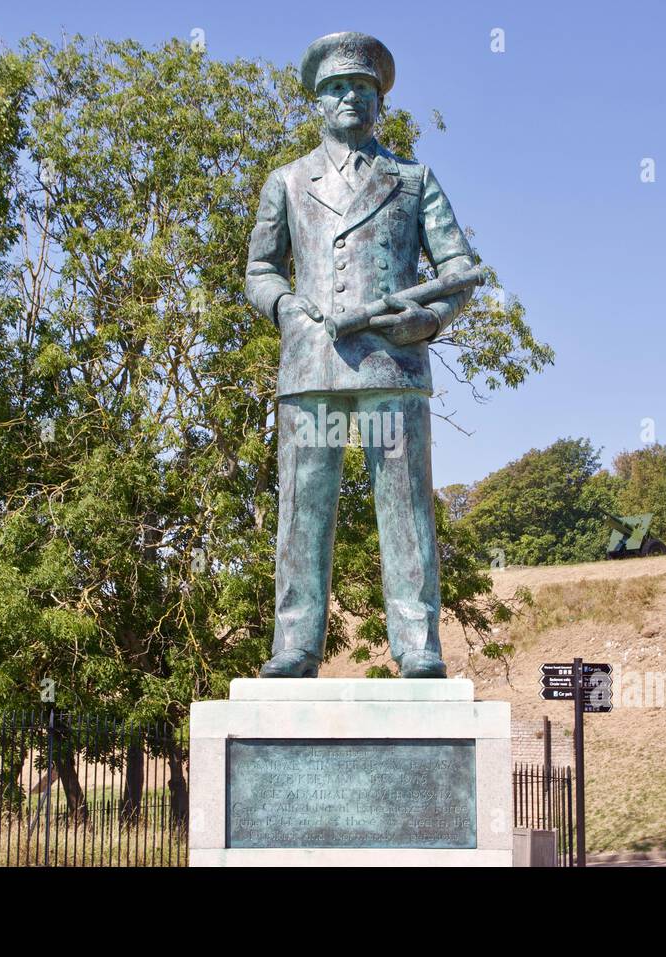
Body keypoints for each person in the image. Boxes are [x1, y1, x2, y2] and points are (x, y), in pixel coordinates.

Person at [246, 32, 477, 678]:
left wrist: (424, 319)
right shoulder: (287, 182)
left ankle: (418, 643)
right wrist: (287, 309)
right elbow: (260, 270)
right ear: (318, 101)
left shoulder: (412, 179)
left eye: (363, 88)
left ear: (380, 103)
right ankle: (295, 642)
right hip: (313, 364)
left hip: (391, 365)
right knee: (303, 506)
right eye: (338, 87)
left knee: (404, 506)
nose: (351, 97)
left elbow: (458, 270)